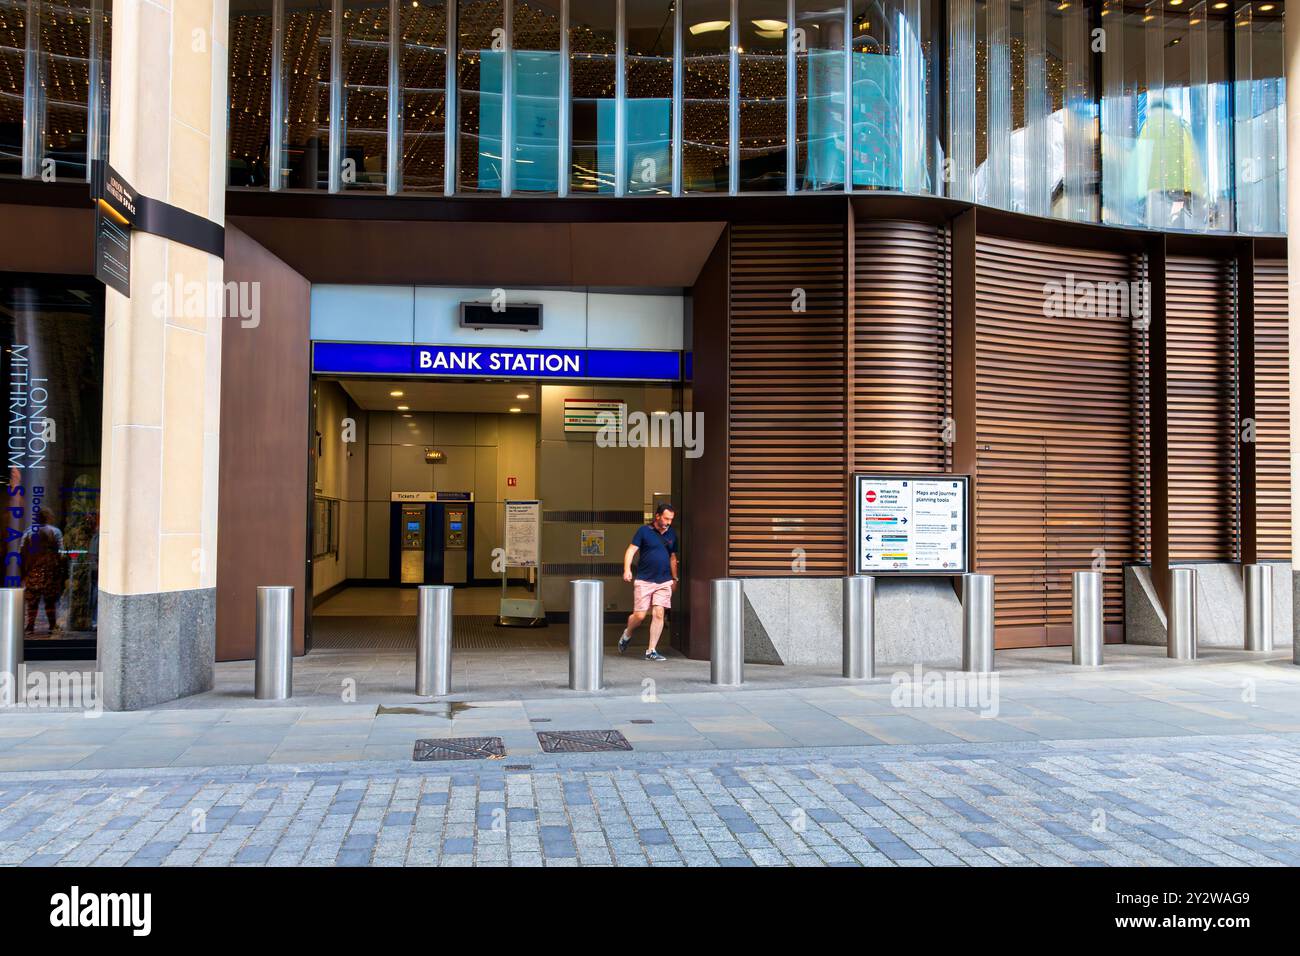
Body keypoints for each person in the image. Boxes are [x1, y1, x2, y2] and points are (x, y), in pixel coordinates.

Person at [618, 502, 678, 662]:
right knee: (639, 616)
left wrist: (675, 578)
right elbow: (631, 550)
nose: (668, 522)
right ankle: (628, 633)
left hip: (664, 580)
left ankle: (651, 650)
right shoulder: (644, 531)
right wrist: (627, 569)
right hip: (644, 580)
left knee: (659, 613)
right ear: (657, 516)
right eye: (666, 518)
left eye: (671, 519)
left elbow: (673, 557)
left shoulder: (672, 534)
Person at [20, 508, 67, 634]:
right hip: (50, 570)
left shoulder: (28, 532)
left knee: (32, 601)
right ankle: (52, 626)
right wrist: (60, 567)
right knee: (50, 600)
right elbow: (62, 553)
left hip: (33, 570)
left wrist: (24, 571)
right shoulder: (55, 532)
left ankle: (30, 626)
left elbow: (22, 552)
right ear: (48, 517)